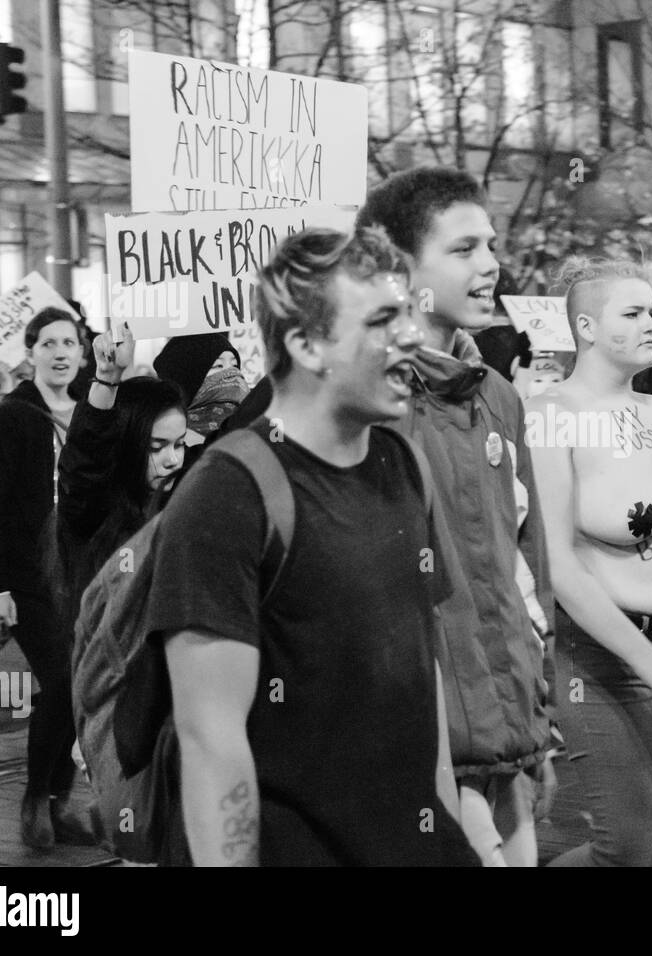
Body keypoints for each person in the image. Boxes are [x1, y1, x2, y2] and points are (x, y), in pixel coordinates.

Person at [139, 226, 477, 866]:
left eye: (407, 311)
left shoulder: (402, 462)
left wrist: (446, 830)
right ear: (306, 344)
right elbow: (211, 741)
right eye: (382, 319)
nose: (410, 334)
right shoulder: (228, 494)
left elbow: (418, 671)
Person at [356, 167, 555, 866]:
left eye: (491, 245)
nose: (491, 264)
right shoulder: (367, 402)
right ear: (402, 267)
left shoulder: (499, 397)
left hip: (507, 737)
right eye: (464, 249)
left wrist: (536, 714)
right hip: (419, 744)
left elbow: (525, 568)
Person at [528, 257, 652, 867]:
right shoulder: (551, 417)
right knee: (627, 850)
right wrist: (642, 660)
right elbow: (555, 563)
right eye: (632, 313)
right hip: (610, 660)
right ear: (585, 327)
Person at [0, 307, 99, 849]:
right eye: (48, 343)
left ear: (82, 351)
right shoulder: (13, 417)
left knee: (82, 686)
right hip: (28, 574)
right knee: (66, 679)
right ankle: (36, 798)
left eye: (69, 342)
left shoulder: (94, 412)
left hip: (82, 570)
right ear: (31, 352)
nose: (61, 352)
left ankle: (59, 803)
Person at [50, 325, 188, 635]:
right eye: (157, 446)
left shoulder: (180, 504)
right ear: (129, 443)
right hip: (106, 670)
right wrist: (108, 379)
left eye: (179, 444)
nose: (173, 459)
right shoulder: (94, 508)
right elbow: (85, 460)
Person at [152, 332, 248, 447]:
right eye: (218, 366)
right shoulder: (166, 440)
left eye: (235, 366)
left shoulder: (257, 427)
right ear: (188, 378)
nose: (233, 373)